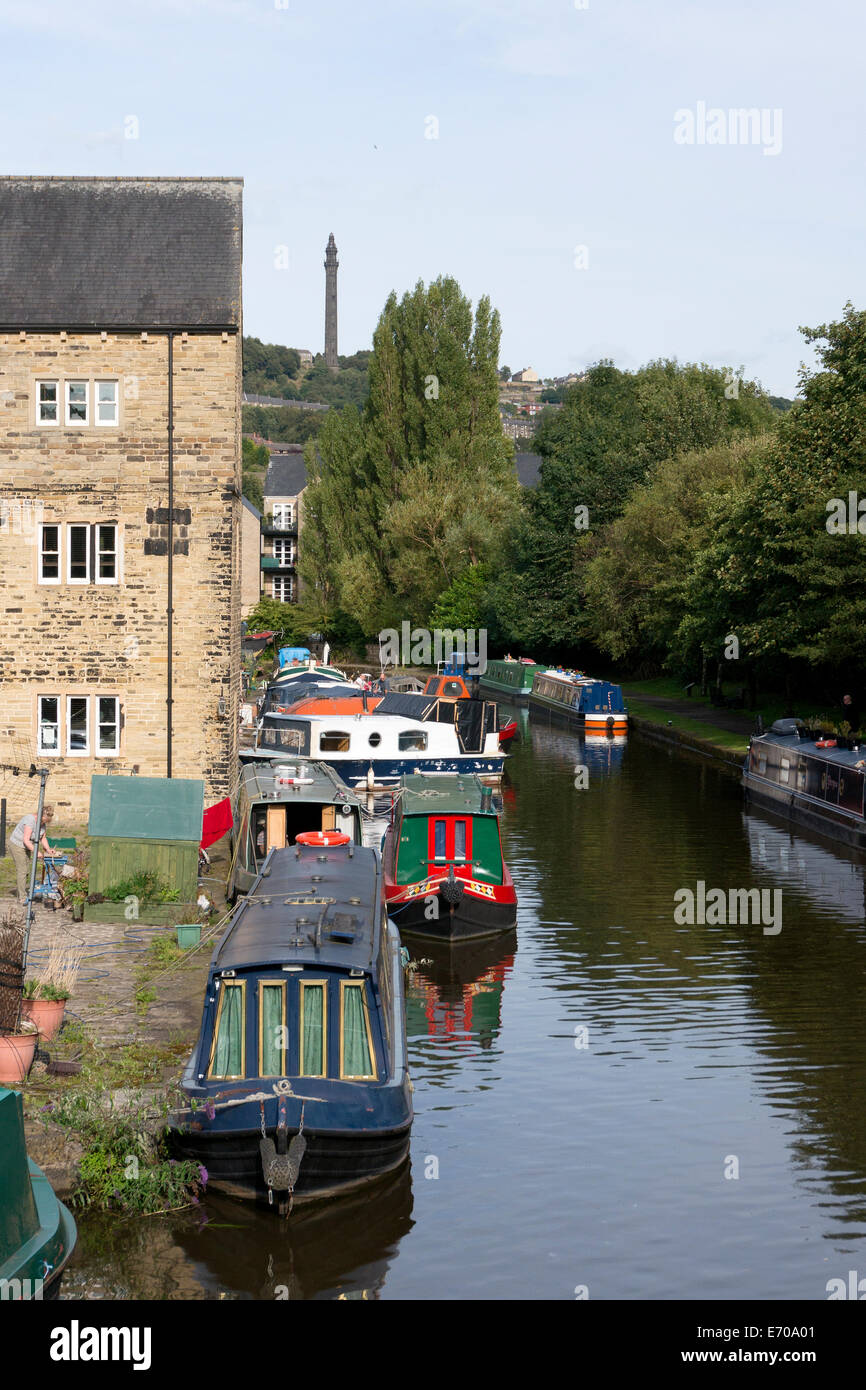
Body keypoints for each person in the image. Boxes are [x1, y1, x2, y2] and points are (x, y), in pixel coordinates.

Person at [9, 804, 55, 903]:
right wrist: (36, 852)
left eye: (46, 822)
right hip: (17, 844)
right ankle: (22, 898)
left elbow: (43, 837)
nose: (44, 823)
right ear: (40, 816)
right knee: (22, 870)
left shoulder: (42, 823)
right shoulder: (30, 820)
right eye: (44, 820)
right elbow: (26, 840)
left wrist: (48, 849)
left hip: (27, 846)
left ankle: (23, 893)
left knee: (27, 871)